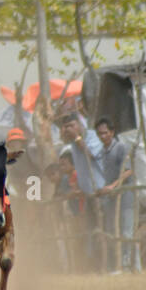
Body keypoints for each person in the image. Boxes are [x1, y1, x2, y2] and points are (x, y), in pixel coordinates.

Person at [58, 113, 107, 271]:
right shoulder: (72, 142)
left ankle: (107, 266)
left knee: (104, 231)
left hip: (101, 192)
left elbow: (91, 154)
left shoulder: (92, 136)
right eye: (66, 127)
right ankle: (94, 267)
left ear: (79, 124)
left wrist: (78, 138)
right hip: (87, 195)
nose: (69, 130)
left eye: (72, 126)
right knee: (92, 232)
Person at [96, 116, 140, 273]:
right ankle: (120, 265)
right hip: (112, 197)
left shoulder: (121, 147)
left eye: (105, 133)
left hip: (126, 194)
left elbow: (129, 170)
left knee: (128, 231)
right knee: (115, 231)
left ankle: (132, 266)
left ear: (112, 132)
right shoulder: (103, 152)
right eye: (99, 134)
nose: (103, 136)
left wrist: (113, 186)